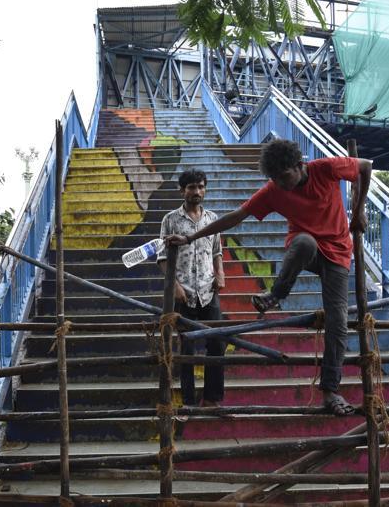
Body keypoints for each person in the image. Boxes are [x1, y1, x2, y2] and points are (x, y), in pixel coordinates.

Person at [166, 140, 372, 415]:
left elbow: (365, 166)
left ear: (300, 166)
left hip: (338, 254)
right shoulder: (275, 188)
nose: (281, 184)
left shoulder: (326, 168)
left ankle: (330, 391)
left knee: (338, 321)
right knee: (305, 242)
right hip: (304, 250)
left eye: (285, 177)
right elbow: (236, 216)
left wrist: (358, 210)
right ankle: (276, 294)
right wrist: (191, 237)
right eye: (276, 179)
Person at [157, 169, 227, 407]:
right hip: (183, 293)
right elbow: (162, 257)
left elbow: (217, 251)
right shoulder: (170, 220)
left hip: (208, 291)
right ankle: (188, 401)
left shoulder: (213, 219)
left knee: (217, 344)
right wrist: (174, 285)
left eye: (200, 186)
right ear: (182, 190)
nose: (197, 191)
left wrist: (220, 273)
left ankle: (212, 399)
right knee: (186, 347)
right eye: (191, 187)